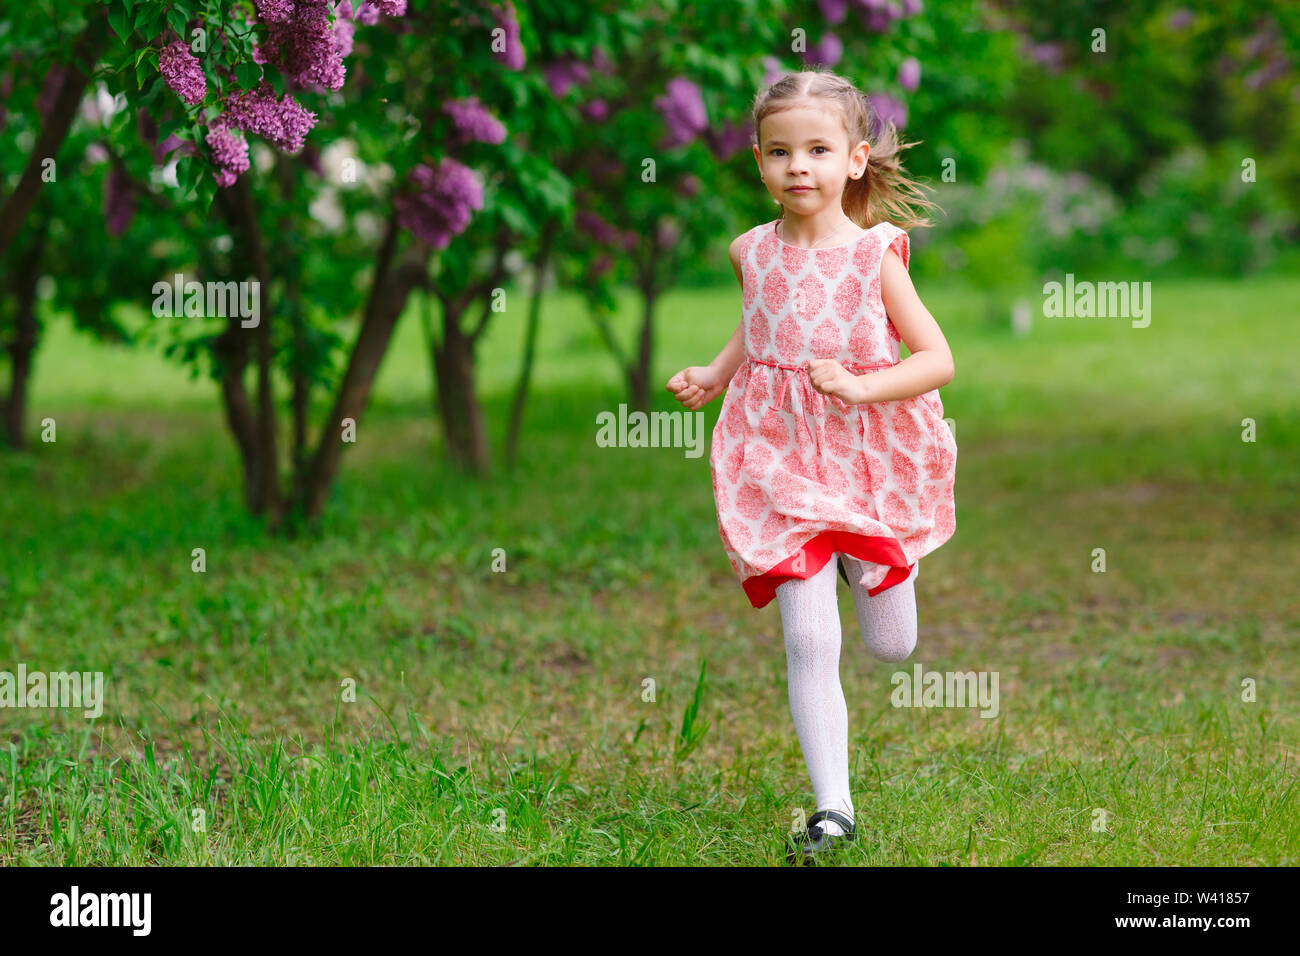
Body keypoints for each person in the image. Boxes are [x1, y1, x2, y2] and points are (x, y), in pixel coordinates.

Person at [665, 68, 958, 865]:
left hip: (866, 455)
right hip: (777, 455)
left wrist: (862, 386)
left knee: (892, 646)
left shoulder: (874, 256)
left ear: (856, 159)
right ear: (758, 162)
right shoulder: (749, 252)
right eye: (779, 151)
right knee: (807, 640)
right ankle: (835, 808)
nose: (798, 166)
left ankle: (866, 561)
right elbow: (758, 325)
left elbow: (936, 360)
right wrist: (717, 373)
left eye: (818, 149)